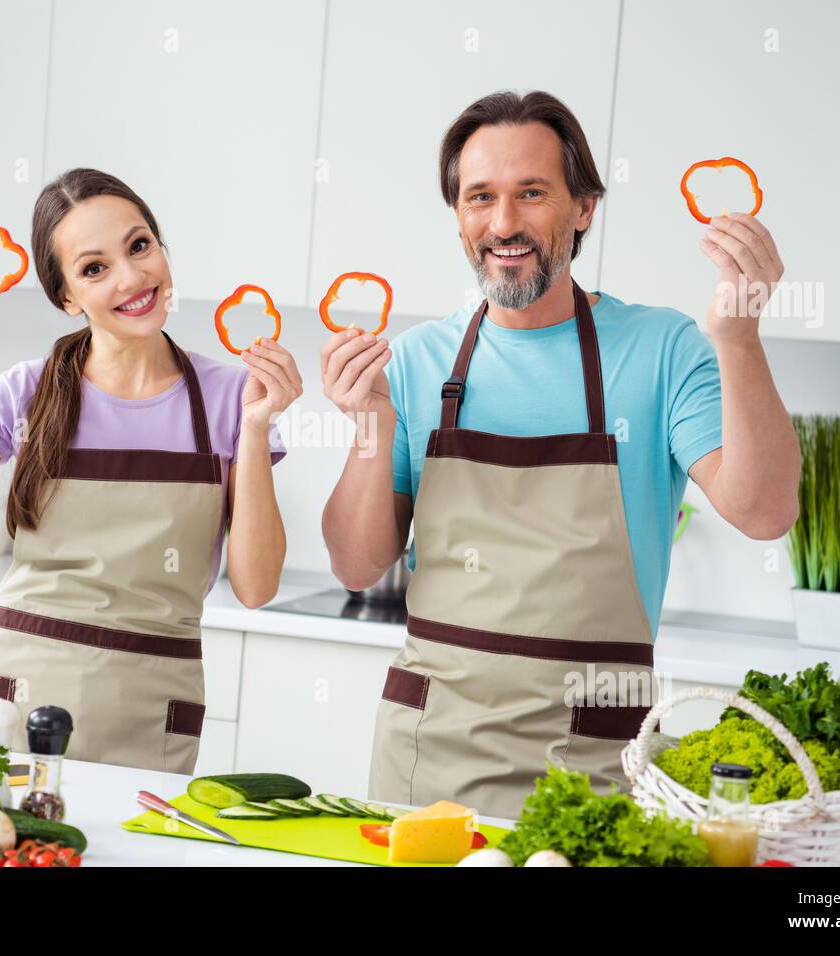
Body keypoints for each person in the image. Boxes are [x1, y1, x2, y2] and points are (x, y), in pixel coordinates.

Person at [320, 91, 800, 819]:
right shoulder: (415, 362)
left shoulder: (662, 349)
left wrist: (739, 339)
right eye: (480, 196)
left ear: (584, 208)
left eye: (532, 193)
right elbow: (357, 567)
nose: (504, 222)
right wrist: (370, 426)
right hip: (430, 756)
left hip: (595, 759)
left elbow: (765, 512)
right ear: (457, 216)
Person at [0, 168, 300, 772]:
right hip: (13, 696)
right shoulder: (29, 391)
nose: (131, 277)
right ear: (66, 296)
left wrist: (254, 431)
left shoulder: (232, 397)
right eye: (94, 268)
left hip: (151, 706)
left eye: (139, 245)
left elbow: (256, 588)